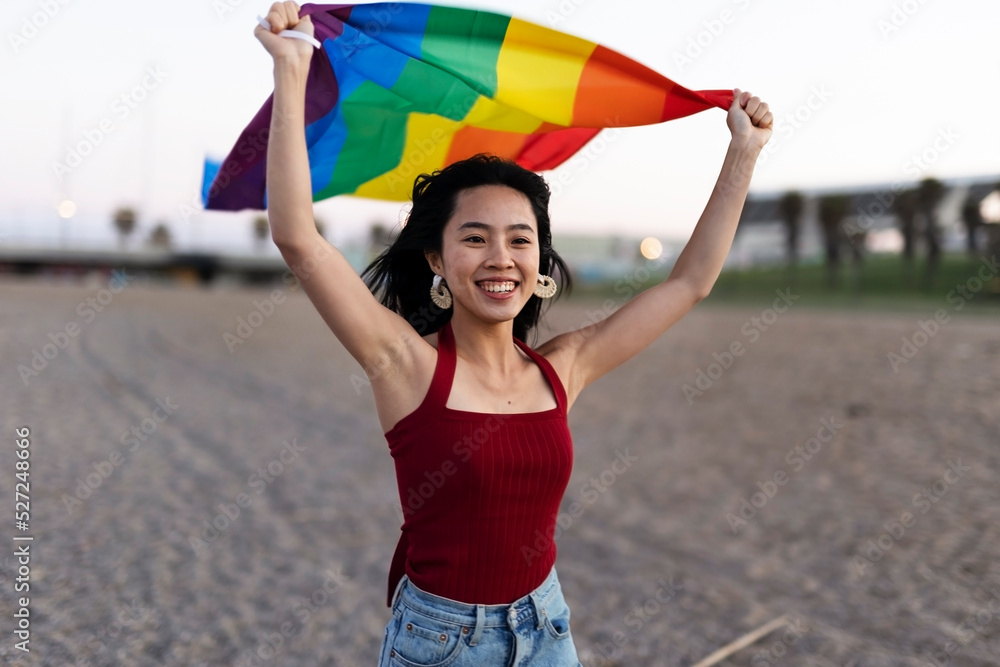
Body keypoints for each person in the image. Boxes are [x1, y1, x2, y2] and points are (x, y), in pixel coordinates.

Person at [255, 2, 773, 664]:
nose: (501, 257)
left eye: (519, 239)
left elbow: (687, 284)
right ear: (438, 261)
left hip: (549, 627)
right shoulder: (404, 364)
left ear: (540, 262)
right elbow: (298, 238)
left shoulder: (564, 367)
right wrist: (293, 68)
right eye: (475, 238)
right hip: (442, 641)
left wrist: (743, 153)